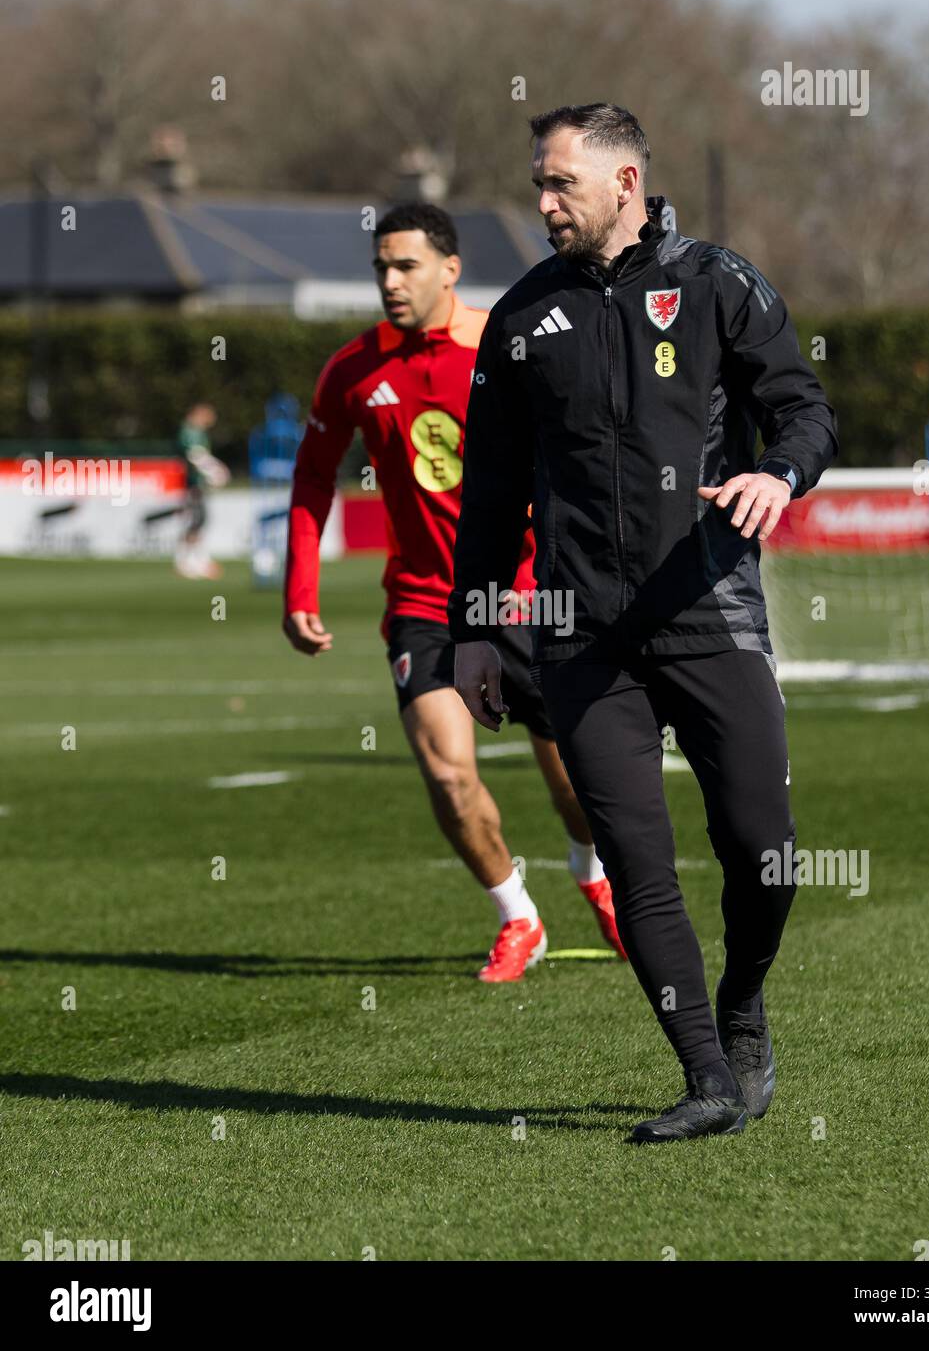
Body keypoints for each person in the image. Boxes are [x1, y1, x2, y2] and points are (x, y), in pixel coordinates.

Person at [449, 105, 838, 1139]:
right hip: (580, 637)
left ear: (624, 182)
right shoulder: (521, 318)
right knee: (636, 858)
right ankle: (709, 1076)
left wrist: (777, 471)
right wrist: (476, 629)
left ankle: (743, 999)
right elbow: (489, 495)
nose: (541, 203)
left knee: (765, 849)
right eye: (538, 181)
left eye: (558, 184)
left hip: (708, 608)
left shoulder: (717, 282)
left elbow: (803, 407)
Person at [283, 202, 624, 982]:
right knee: (446, 770)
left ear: (449, 269)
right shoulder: (351, 369)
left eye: (405, 266)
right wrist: (298, 588)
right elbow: (310, 479)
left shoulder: (504, 346)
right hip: (424, 602)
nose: (390, 282)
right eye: (380, 268)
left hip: (531, 594)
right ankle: (517, 915)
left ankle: (590, 869)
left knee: (574, 778)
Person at [174, 402, 229, 579]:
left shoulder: (196, 433)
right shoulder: (190, 432)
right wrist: (215, 472)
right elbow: (195, 456)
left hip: (197, 484)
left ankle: (196, 560)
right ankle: (186, 560)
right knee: (196, 520)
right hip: (192, 484)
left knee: (199, 521)